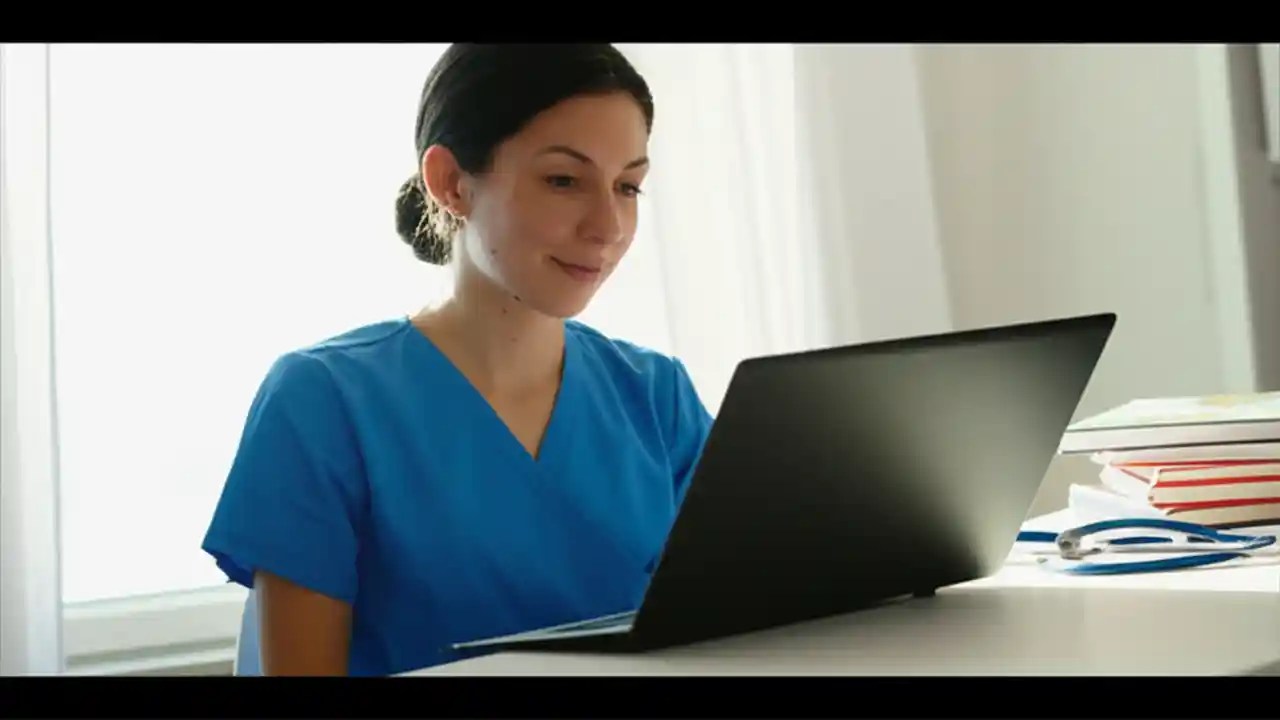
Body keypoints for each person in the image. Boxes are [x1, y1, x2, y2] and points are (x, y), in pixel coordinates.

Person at [200, 43, 714, 677]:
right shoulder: (323, 402)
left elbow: (728, 636)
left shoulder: (658, 399)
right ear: (450, 183)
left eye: (628, 186)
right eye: (563, 180)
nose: (608, 225)